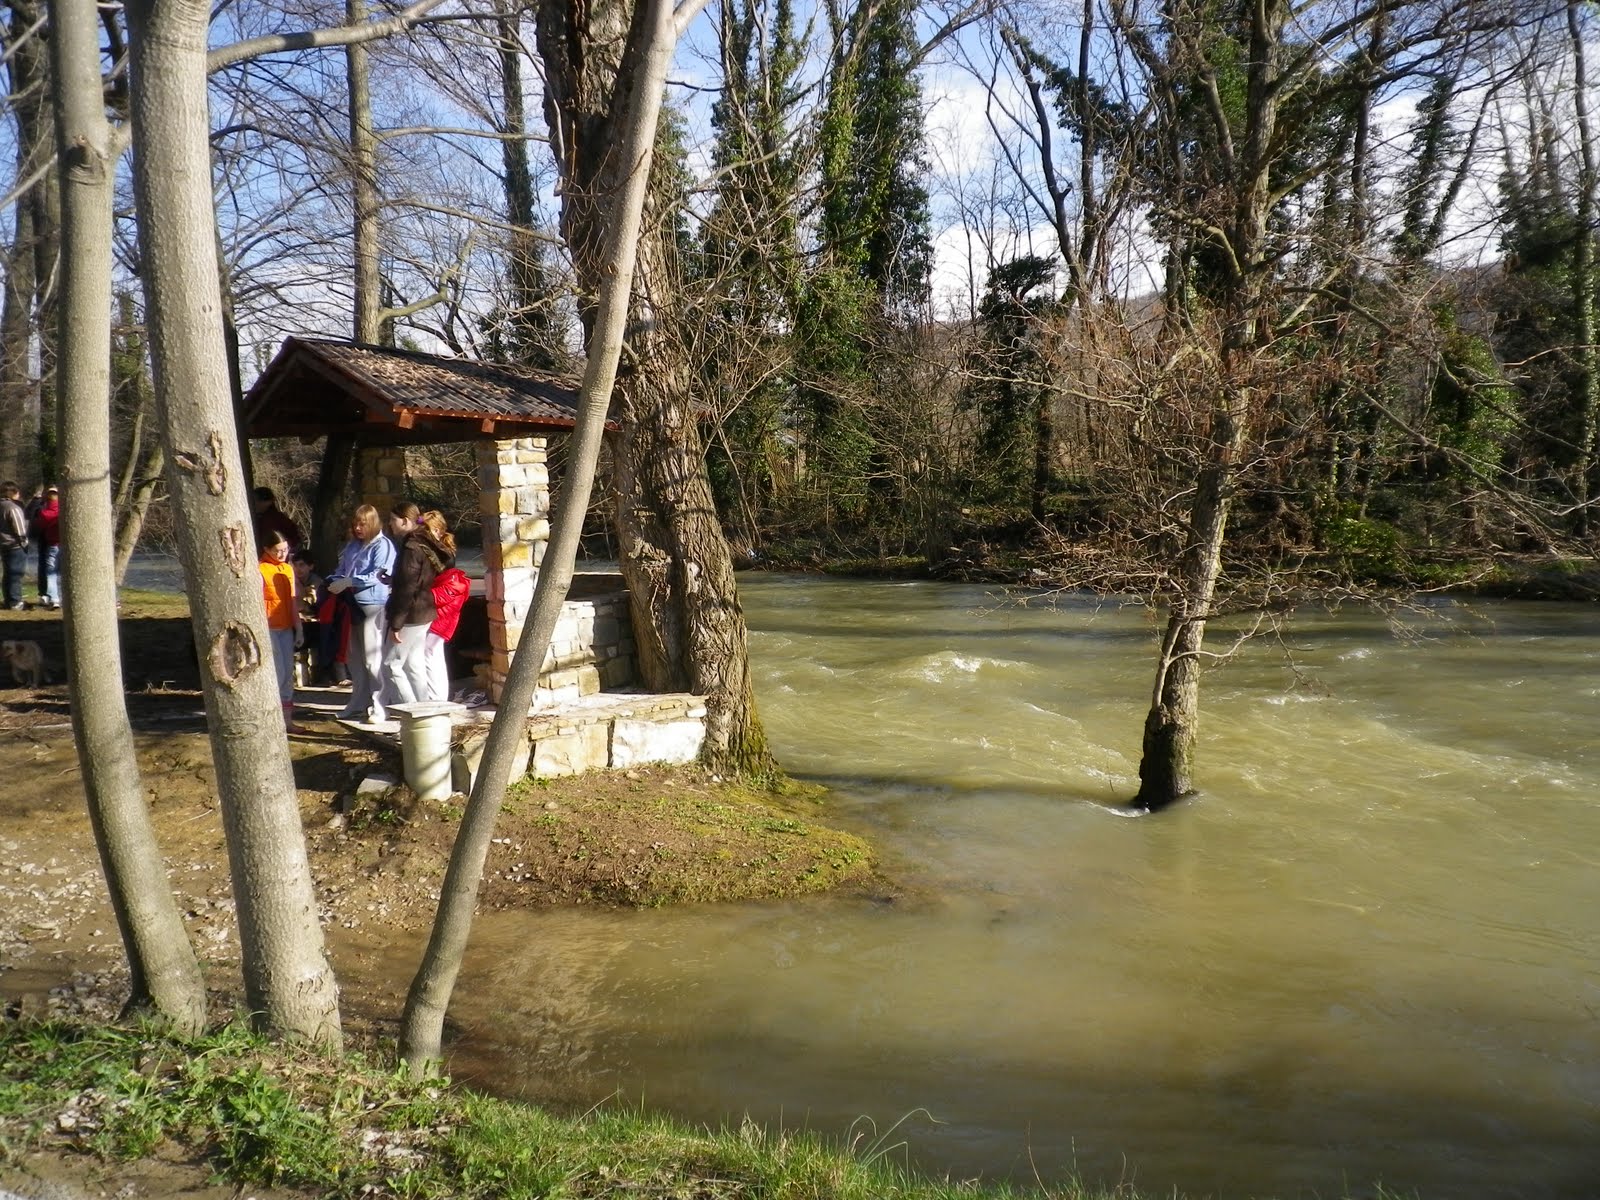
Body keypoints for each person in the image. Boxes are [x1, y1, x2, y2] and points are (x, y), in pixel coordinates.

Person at [327, 504, 394, 724]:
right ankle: (358, 701)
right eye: (355, 524)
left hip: (373, 604)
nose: (357, 528)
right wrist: (335, 580)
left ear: (373, 523)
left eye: (362, 524)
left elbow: (378, 575)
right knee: (354, 658)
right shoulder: (352, 546)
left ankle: (379, 705)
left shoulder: (382, 546)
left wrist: (350, 582)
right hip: (350, 604)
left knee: (373, 658)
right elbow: (342, 570)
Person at [381, 500, 445, 707]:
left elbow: (408, 589)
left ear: (406, 521)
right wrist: (393, 579)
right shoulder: (425, 542)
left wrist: (396, 623)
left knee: (391, 665)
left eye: (393, 520)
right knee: (413, 665)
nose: (390, 525)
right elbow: (415, 579)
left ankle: (413, 715)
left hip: (411, 614)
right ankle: (426, 714)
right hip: (423, 611)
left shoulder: (411, 547)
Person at [258, 530, 307, 734]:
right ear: (267, 550)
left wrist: (299, 628)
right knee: (277, 673)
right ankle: (271, 720)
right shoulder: (259, 569)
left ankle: (287, 721)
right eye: (278, 551)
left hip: (286, 627)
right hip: (268, 628)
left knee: (288, 673)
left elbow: (293, 601)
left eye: (286, 550)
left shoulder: (287, 569)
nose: (282, 554)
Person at [421, 511, 468, 702]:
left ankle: (437, 697)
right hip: (441, 607)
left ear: (438, 531)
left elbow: (440, 582)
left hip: (444, 609)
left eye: (427, 530)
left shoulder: (443, 553)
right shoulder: (437, 550)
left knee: (430, 651)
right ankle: (436, 695)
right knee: (432, 652)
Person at [0, 482, 28, 611]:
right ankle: (15, 601)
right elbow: (19, 528)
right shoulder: (12, 507)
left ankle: (8, 599)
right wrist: (24, 542)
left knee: (7, 574)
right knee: (16, 574)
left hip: (3, 544)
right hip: (14, 545)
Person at [31, 485, 60, 609]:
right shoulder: (66, 510)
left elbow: (37, 526)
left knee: (51, 573)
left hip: (52, 544)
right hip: (66, 545)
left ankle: (54, 598)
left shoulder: (44, 513)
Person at [252, 486, 304, 551]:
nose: (254, 504)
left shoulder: (276, 519)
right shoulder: (257, 518)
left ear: (268, 502)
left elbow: (295, 538)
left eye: (256, 500)